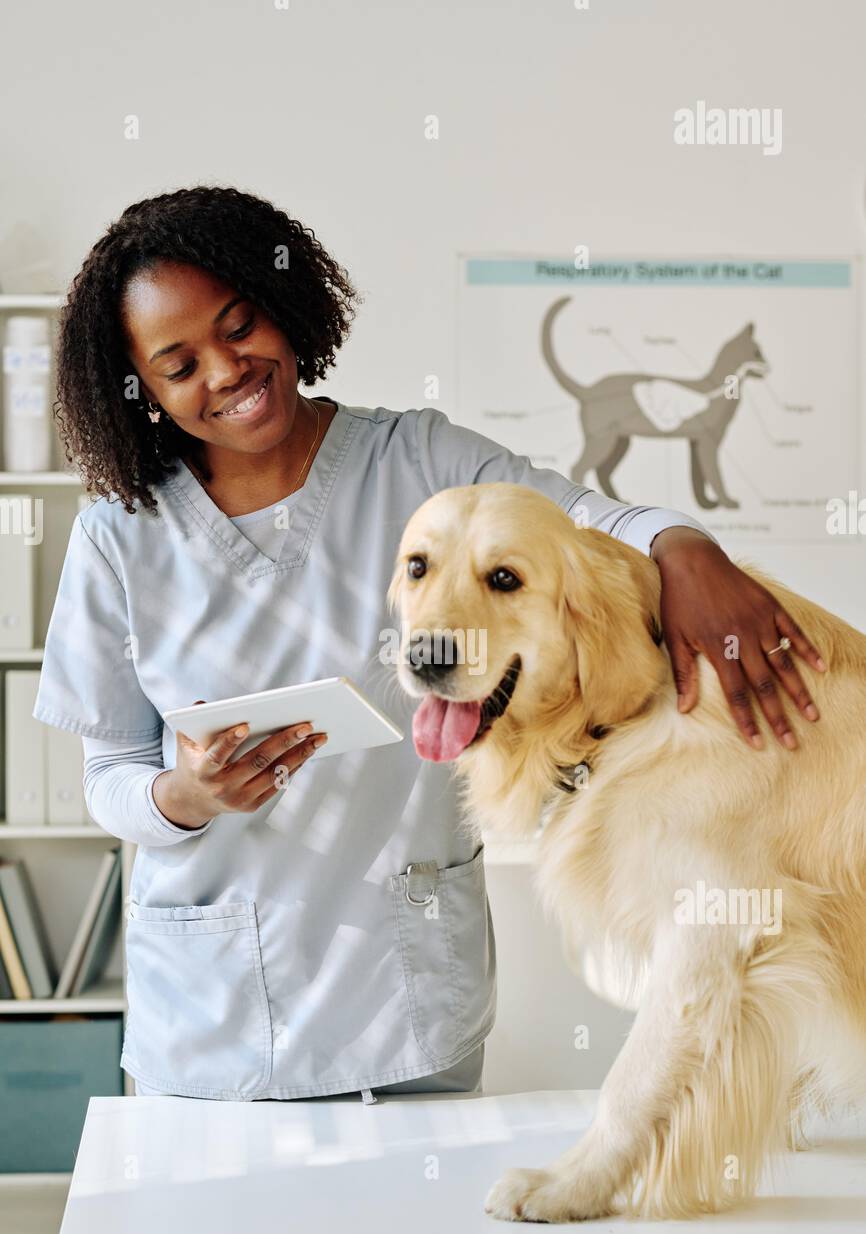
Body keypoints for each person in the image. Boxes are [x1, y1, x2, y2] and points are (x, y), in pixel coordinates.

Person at [32, 185, 824, 1103]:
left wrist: (688, 548)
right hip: (211, 1021)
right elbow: (109, 779)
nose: (227, 369)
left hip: (405, 1000)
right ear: (145, 392)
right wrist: (184, 795)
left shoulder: (420, 460)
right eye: (179, 364)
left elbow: (588, 522)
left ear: (283, 309)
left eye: (240, 325)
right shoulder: (118, 536)